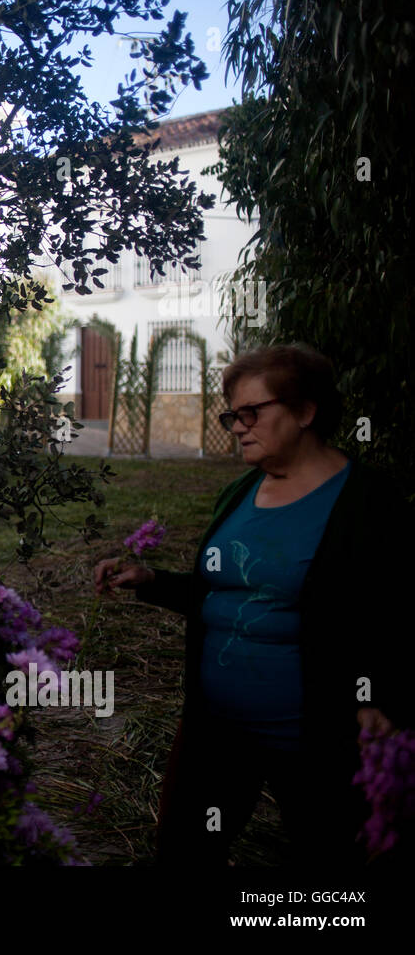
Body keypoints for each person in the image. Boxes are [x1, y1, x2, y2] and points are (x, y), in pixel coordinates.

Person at [93, 344, 411, 865]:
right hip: (214, 731)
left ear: (306, 411)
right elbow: (225, 592)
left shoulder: (368, 504)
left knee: (330, 859)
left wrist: (383, 699)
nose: (237, 426)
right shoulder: (240, 492)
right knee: (183, 851)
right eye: (231, 415)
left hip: (311, 741)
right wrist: (150, 580)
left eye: (251, 413)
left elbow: (398, 616)